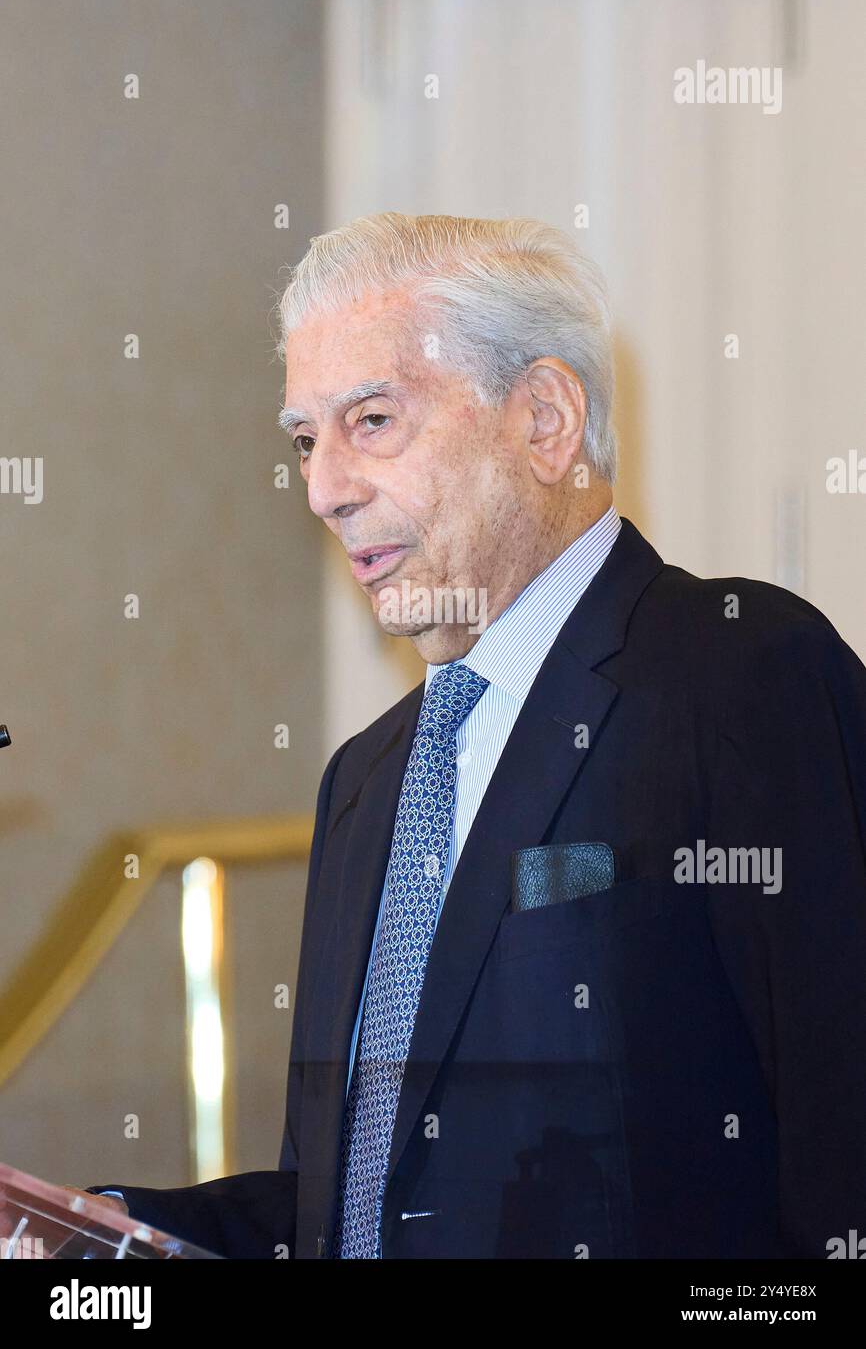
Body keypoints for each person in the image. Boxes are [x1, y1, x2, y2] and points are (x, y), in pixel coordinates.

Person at [73, 214, 866, 1257]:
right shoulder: (363, 783)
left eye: (371, 421)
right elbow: (347, 1207)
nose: (322, 490)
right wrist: (111, 1229)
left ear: (542, 419)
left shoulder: (734, 671)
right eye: (305, 440)